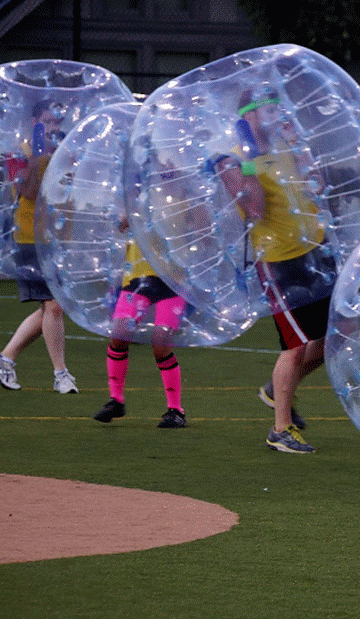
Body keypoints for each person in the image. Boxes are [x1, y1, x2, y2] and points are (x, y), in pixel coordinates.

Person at [217, 85, 334, 453]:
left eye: (277, 106)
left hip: (317, 251)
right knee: (295, 346)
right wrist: (251, 159)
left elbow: (319, 186)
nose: (276, 114)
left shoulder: (287, 147)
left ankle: (277, 388)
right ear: (248, 117)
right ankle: (280, 430)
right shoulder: (231, 159)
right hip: (280, 261)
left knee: (335, 338)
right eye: (267, 108)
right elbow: (255, 210)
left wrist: (300, 146)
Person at [0, 99, 78, 394]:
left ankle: (5, 358)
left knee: (52, 307)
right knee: (53, 306)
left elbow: (69, 194)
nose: (54, 128)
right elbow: (28, 192)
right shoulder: (18, 152)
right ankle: (61, 373)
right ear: (35, 122)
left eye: (57, 122)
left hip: (55, 238)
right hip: (27, 237)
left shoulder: (63, 151)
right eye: (48, 122)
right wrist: (39, 156)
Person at [92, 237, 188, 428]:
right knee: (118, 335)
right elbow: (121, 224)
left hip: (173, 279)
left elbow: (200, 224)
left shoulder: (182, 204)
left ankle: (176, 410)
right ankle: (116, 400)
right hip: (137, 274)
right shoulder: (135, 205)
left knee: (161, 342)